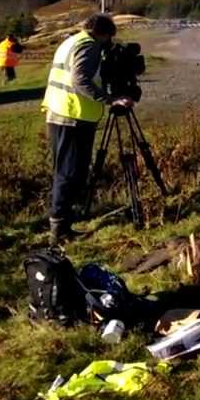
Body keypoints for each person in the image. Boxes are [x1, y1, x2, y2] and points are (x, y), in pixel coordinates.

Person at [42, 14, 135, 243]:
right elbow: (80, 79)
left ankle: (62, 221)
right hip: (73, 115)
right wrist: (109, 99)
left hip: (60, 112)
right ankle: (60, 229)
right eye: (108, 38)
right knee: (70, 172)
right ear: (103, 33)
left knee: (66, 170)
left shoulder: (71, 41)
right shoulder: (89, 46)